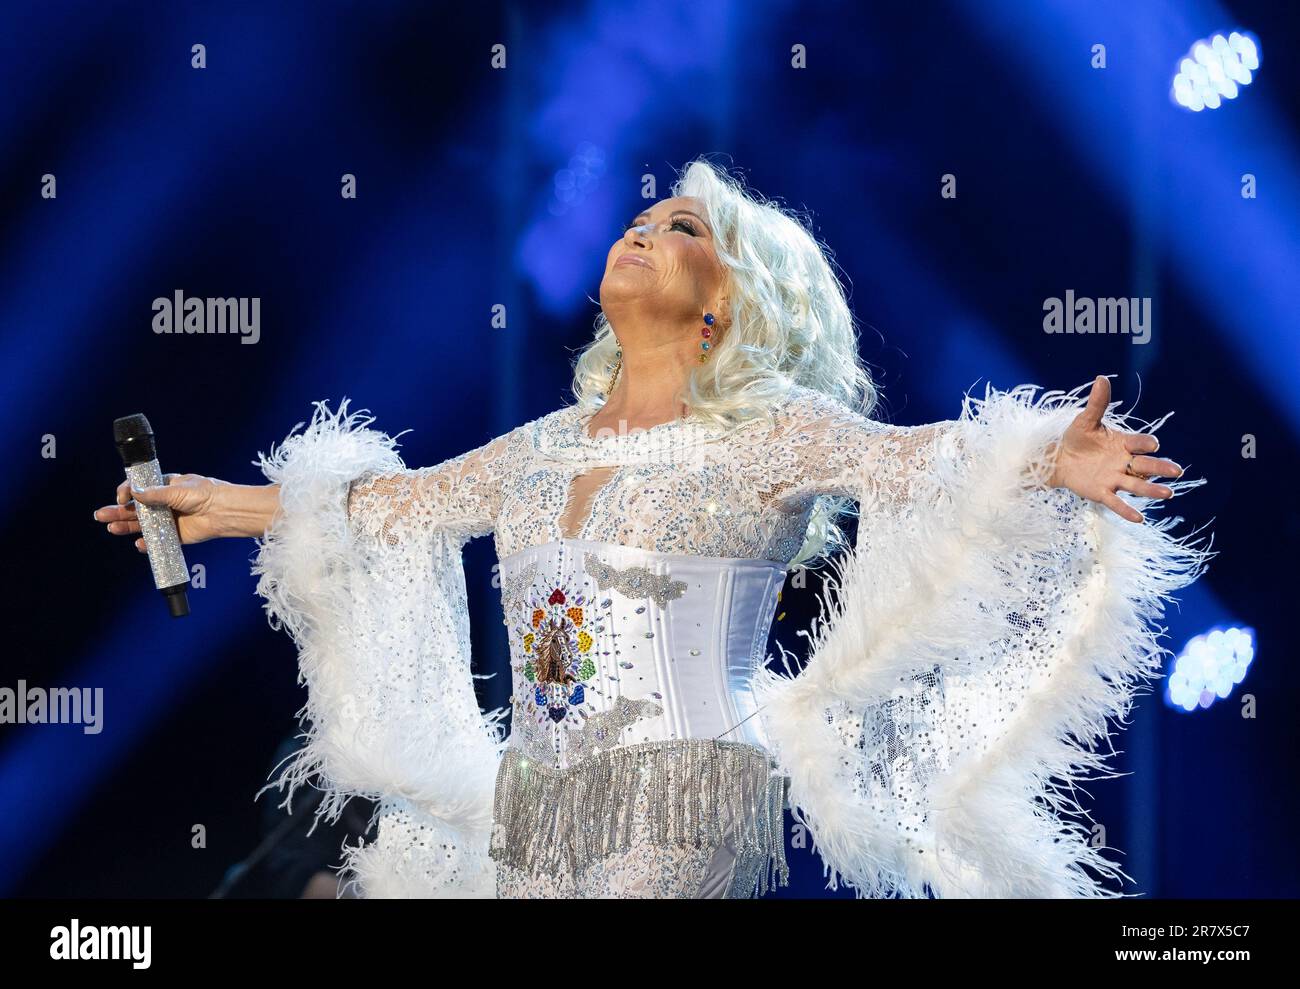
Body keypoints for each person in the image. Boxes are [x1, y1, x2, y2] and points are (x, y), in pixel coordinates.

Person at [94, 158, 1213, 899]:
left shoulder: (772, 428)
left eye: (679, 228)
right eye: (639, 218)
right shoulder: (543, 441)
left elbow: (917, 459)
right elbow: (392, 506)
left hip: (685, 800)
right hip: (530, 810)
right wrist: (217, 503)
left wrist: (1050, 456)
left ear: (724, 302)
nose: (640, 228)